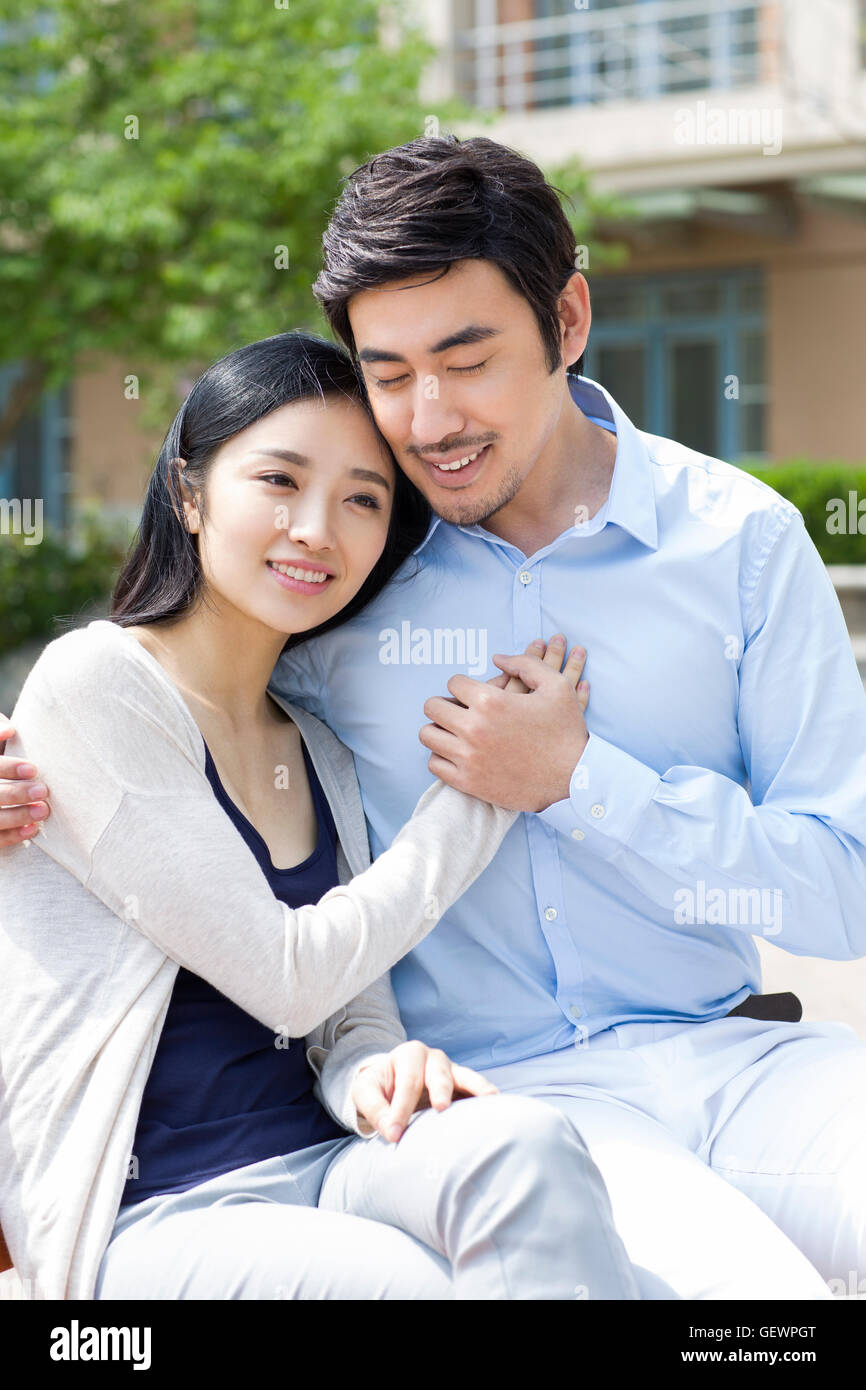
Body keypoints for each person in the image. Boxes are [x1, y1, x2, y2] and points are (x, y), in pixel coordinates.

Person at [0, 331, 643, 1301]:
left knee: (526, 1147)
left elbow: (345, 1019)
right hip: (155, 1216)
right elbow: (288, 976)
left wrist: (376, 1071)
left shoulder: (317, 747)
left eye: (361, 499)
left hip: (332, 1168)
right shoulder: (99, 686)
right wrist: (485, 786)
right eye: (279, 480)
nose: (316, 528)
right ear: (188, 491)